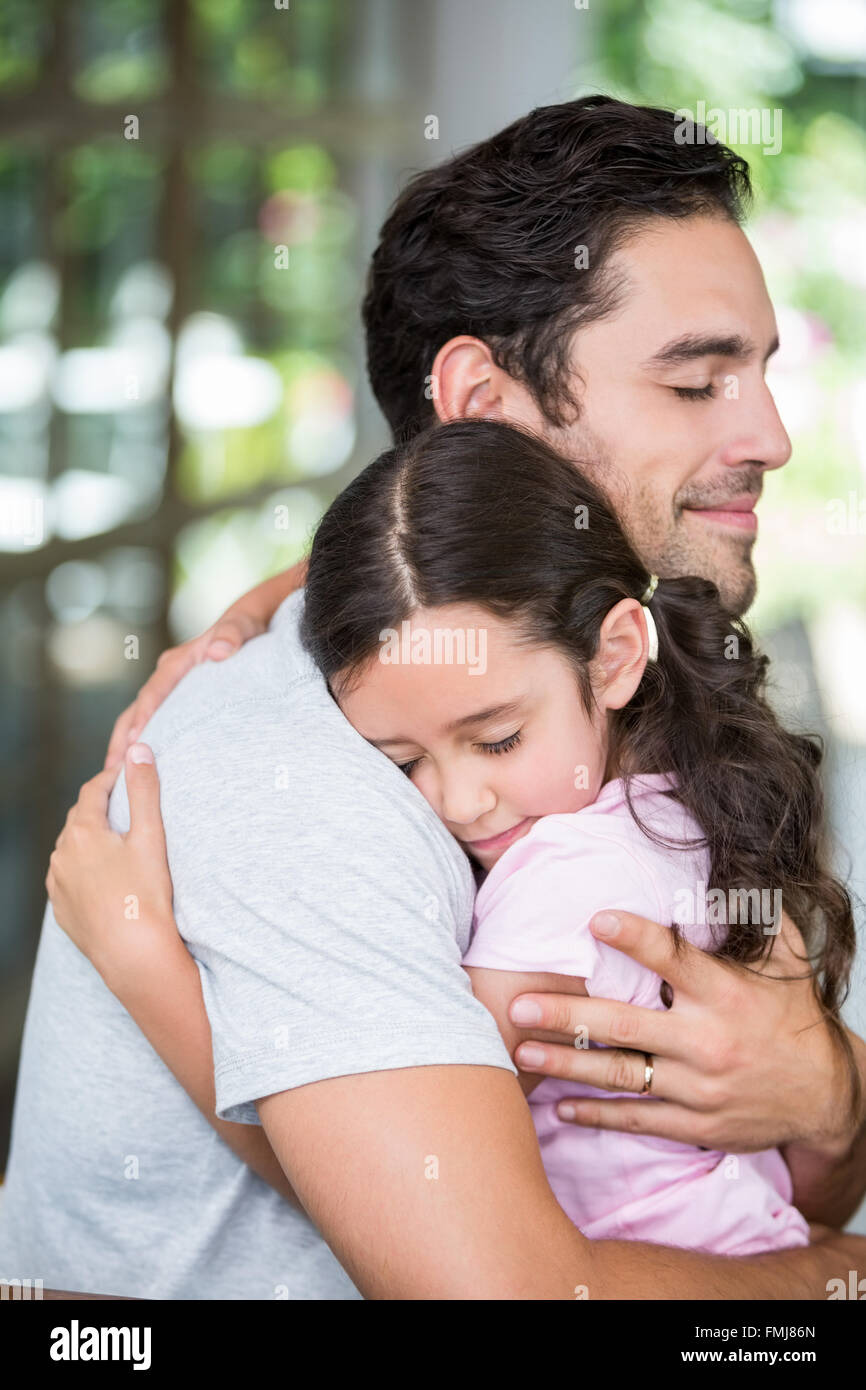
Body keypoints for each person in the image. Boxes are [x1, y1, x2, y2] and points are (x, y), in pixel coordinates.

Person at [2, 96, 864, 1299]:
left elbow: (767, 1176)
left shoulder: (628, 694)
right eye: (692, 382)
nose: (768, 435)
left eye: (757, 372)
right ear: (482, 402)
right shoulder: (306, 775)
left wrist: (827, 1094)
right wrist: (835, 1277)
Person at [48, 418, 859, 1265]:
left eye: (498, 739)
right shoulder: (673, 802)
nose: (462, 802)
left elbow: (388, 1206)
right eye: (404, 762)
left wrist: (147, 970)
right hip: (738, 1239)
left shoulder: (566, 886)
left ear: (617, 655)